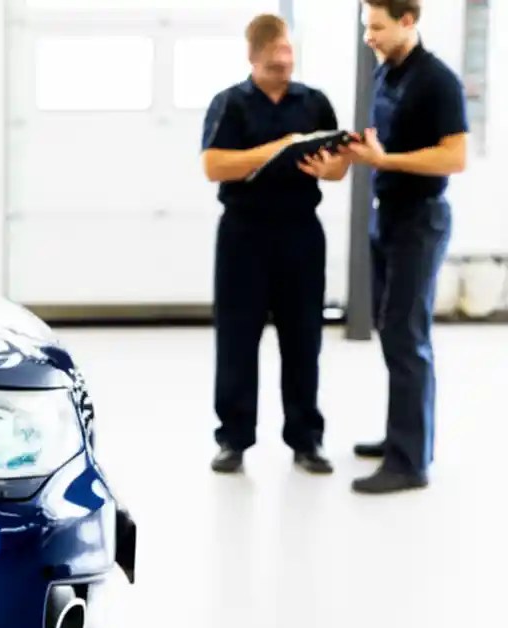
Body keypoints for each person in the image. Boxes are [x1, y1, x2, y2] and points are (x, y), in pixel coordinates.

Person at [200, 14, 349, 476]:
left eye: (287, 56)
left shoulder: (315, 102)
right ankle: (234, 439)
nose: (283, 65)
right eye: (273, 61)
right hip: (244, 234)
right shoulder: (230, 104)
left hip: (301, 232)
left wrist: (330, 169)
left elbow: (340, 166)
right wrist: (280, 146)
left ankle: (306, 439)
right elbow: (215, 165)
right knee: (238, 338)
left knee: (304, 338)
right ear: (253, 57)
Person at [341, 0, 468, 494]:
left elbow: (453, 157)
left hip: (420, 221)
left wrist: (386, 161)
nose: (368, 36)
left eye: (377, 27)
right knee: (392, 332)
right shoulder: (386, 74)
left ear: (408, 22)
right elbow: (385, 145)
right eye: (364, 26)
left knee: (407, 336)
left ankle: (409, 462)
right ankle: (404, 438)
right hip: (387, 216)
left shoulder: (437, 80)